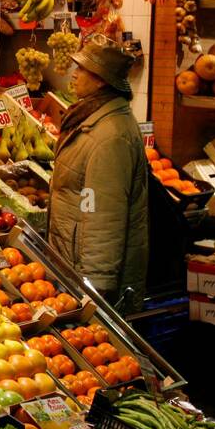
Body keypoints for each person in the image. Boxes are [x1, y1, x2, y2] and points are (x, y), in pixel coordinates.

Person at [46, 34, 148, 314]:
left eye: (82, 70)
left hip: (88, 277)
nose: (74, 75)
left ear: (101, 79)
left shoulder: (110, 137)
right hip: (72, 262)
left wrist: (95, 285)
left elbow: (103, 215)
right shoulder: (92, 119)